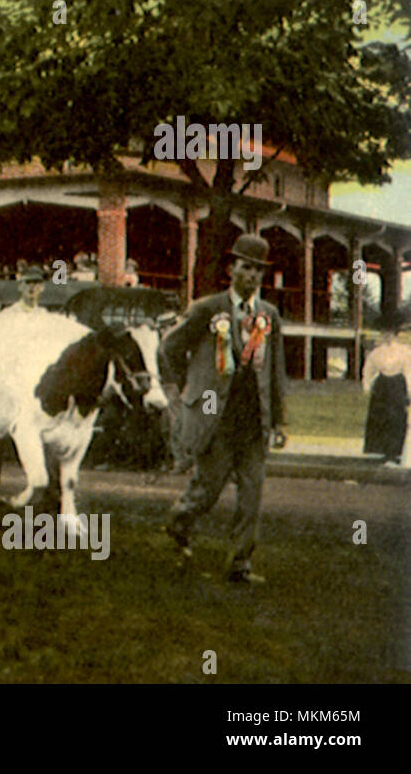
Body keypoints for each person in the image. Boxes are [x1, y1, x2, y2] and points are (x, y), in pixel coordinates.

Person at [161, 233, 286, 585]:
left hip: (253, 423)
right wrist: (189, 388)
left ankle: (240, 564)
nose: (253, 276)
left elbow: (276, 372)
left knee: (251, 496)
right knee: (207, 491)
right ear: (231, 269)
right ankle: (179, 522)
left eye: (259, 271)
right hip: (216, 421)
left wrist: (279, 419)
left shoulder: (269, 316)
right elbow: (169, 348)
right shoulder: (206, 309)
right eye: (246, 267)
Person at [0, 264, 53, 505]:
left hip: (38, 385)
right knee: (1, 437)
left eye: (36, 284)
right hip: (12, 383)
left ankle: (46, 492)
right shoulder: (9, 316)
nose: (32, 288)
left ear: (42, 288)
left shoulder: (45, 317)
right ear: (20, 286)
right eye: (28, 284)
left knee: (43, 439)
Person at [361, 325, 411, 466]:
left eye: (390, 333)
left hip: (397, 385)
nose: (387, 336)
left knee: (396, 419)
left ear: (396, 334)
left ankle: (394, 453)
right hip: (382, 386)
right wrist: (367, 385)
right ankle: (382, 451)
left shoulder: (404, 351)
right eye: (384, 333)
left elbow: (408, 371)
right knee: (381, 418)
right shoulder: (377, 352)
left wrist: (409, 390)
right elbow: (368, 369)